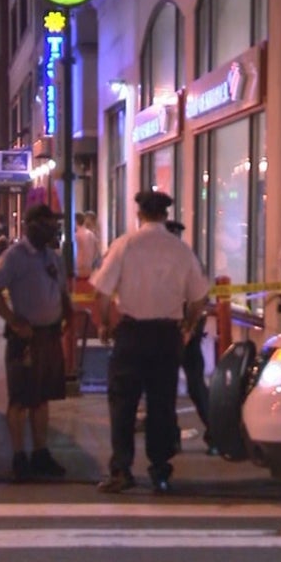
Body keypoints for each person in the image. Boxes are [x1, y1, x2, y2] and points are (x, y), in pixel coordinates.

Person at [90, 191, 209, 494]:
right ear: (166, 215)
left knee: (123, 402)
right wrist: (189, 323)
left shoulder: (124, 245)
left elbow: (102, 293)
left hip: (131, 334)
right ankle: (160, 472)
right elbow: (198, 297)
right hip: (166, 336)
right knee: (162, 404)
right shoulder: (181, 250)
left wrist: (104, 323)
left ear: (140, 214)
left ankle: (122, 470)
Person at [0, 205, 73, 482]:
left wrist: (67, 313)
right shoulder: (14, 256)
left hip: (49, 335)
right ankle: (19, 456)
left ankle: (40, 453)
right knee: (21, 399)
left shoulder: (52, 257)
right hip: (26, 338)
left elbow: (62, 290)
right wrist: (13, 321)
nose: (51, 228)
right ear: (31, 224)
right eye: (46, 223)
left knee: (42, 398)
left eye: (53, 223)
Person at [165, 220, 217, 455]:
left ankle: (173, 438)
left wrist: (189, 328)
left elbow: (199, 298)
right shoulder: (191, 260)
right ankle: (213, 435)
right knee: (194, 384)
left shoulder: (171, 262)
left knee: (169, 386)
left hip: (176, 329)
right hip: (185, 329)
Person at [73, 212, 102, 279]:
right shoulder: (91, 235)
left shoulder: (76, 235)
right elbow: (96, 252)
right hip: (90, 271)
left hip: (78, 272)